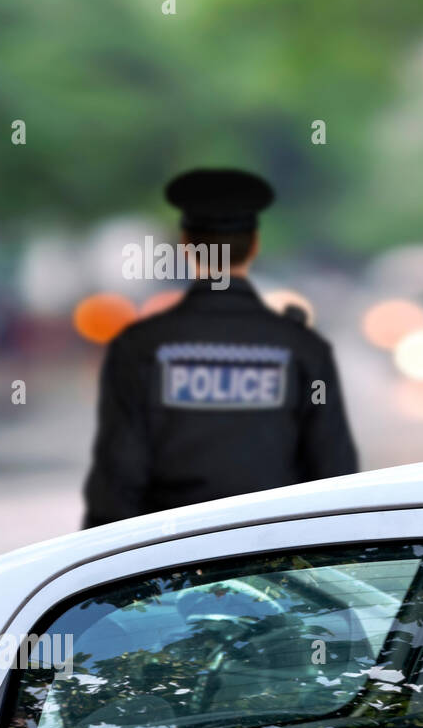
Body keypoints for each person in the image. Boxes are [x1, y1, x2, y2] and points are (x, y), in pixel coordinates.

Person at [82, 168, 358, 527]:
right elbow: (335, 477)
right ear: (254, 245)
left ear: (186, 246)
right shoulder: (305, 349)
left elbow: (116, 482)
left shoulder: (138, 348)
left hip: (169, 566)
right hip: (274, 562)